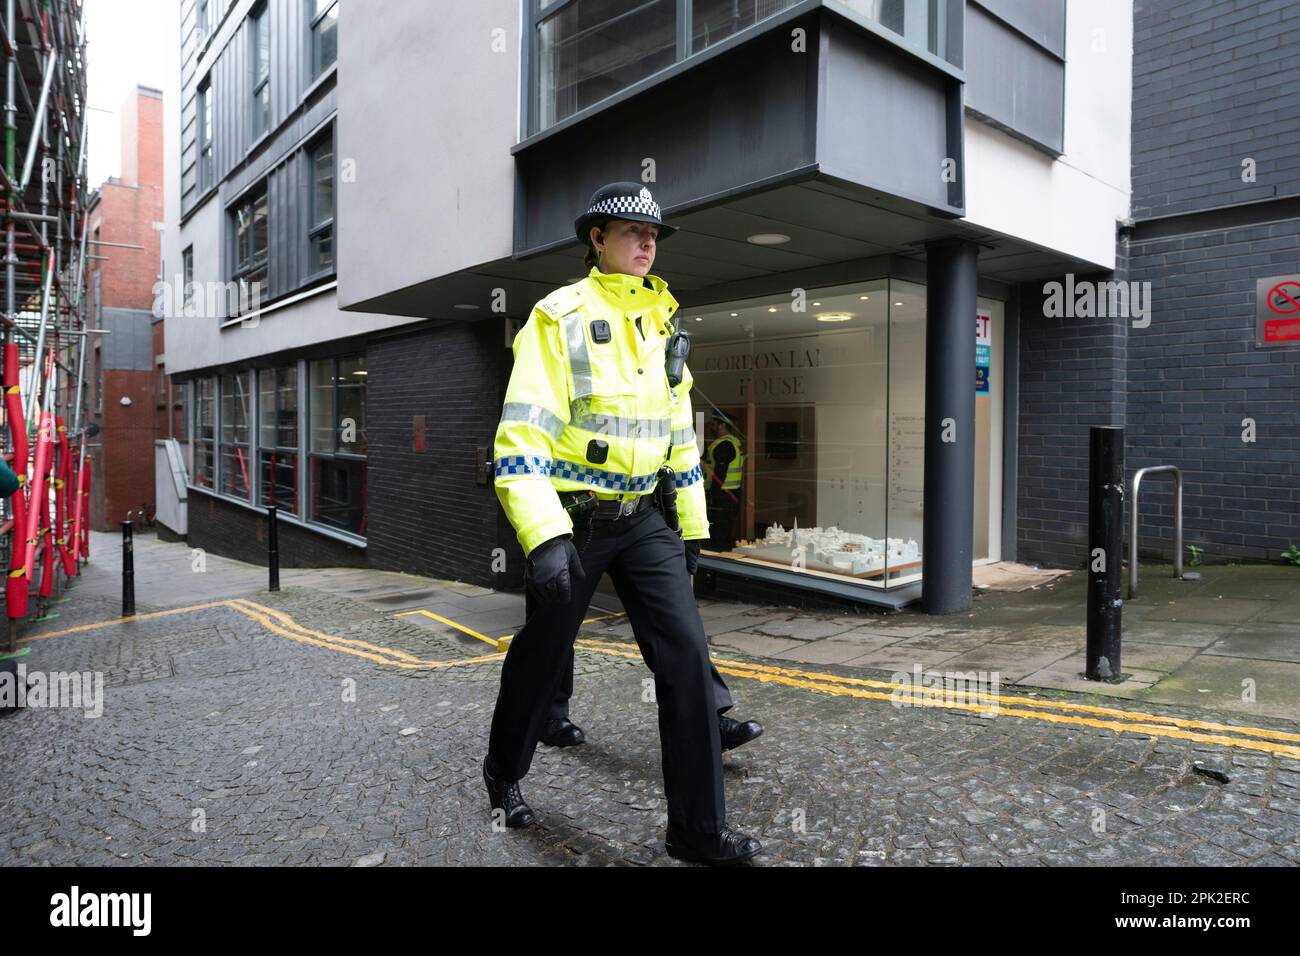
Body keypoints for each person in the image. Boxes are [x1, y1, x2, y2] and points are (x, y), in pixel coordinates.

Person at [484, 181, 762, 865]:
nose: (646, 243)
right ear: (597, 240)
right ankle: (503, 773)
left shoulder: (664, 321)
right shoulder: (559, 316)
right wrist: (544, 538)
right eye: (631, 232)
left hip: (645, 521)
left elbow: (679, 433)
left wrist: (692, 527)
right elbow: (521, 436)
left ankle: (696, 832)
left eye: (654, 234)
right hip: (574, 520)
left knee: (689, 664)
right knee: (541, 657)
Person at [702, 412, 743, 550]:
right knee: (724, 531)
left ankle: (719, 562)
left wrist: (711, 495)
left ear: (722, 425)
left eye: (714, 424)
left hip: (722, 495)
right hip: (729, 494)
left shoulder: (723, 445)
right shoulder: (733, 442)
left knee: (719, 534)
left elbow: (719, 475)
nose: (711, 427)